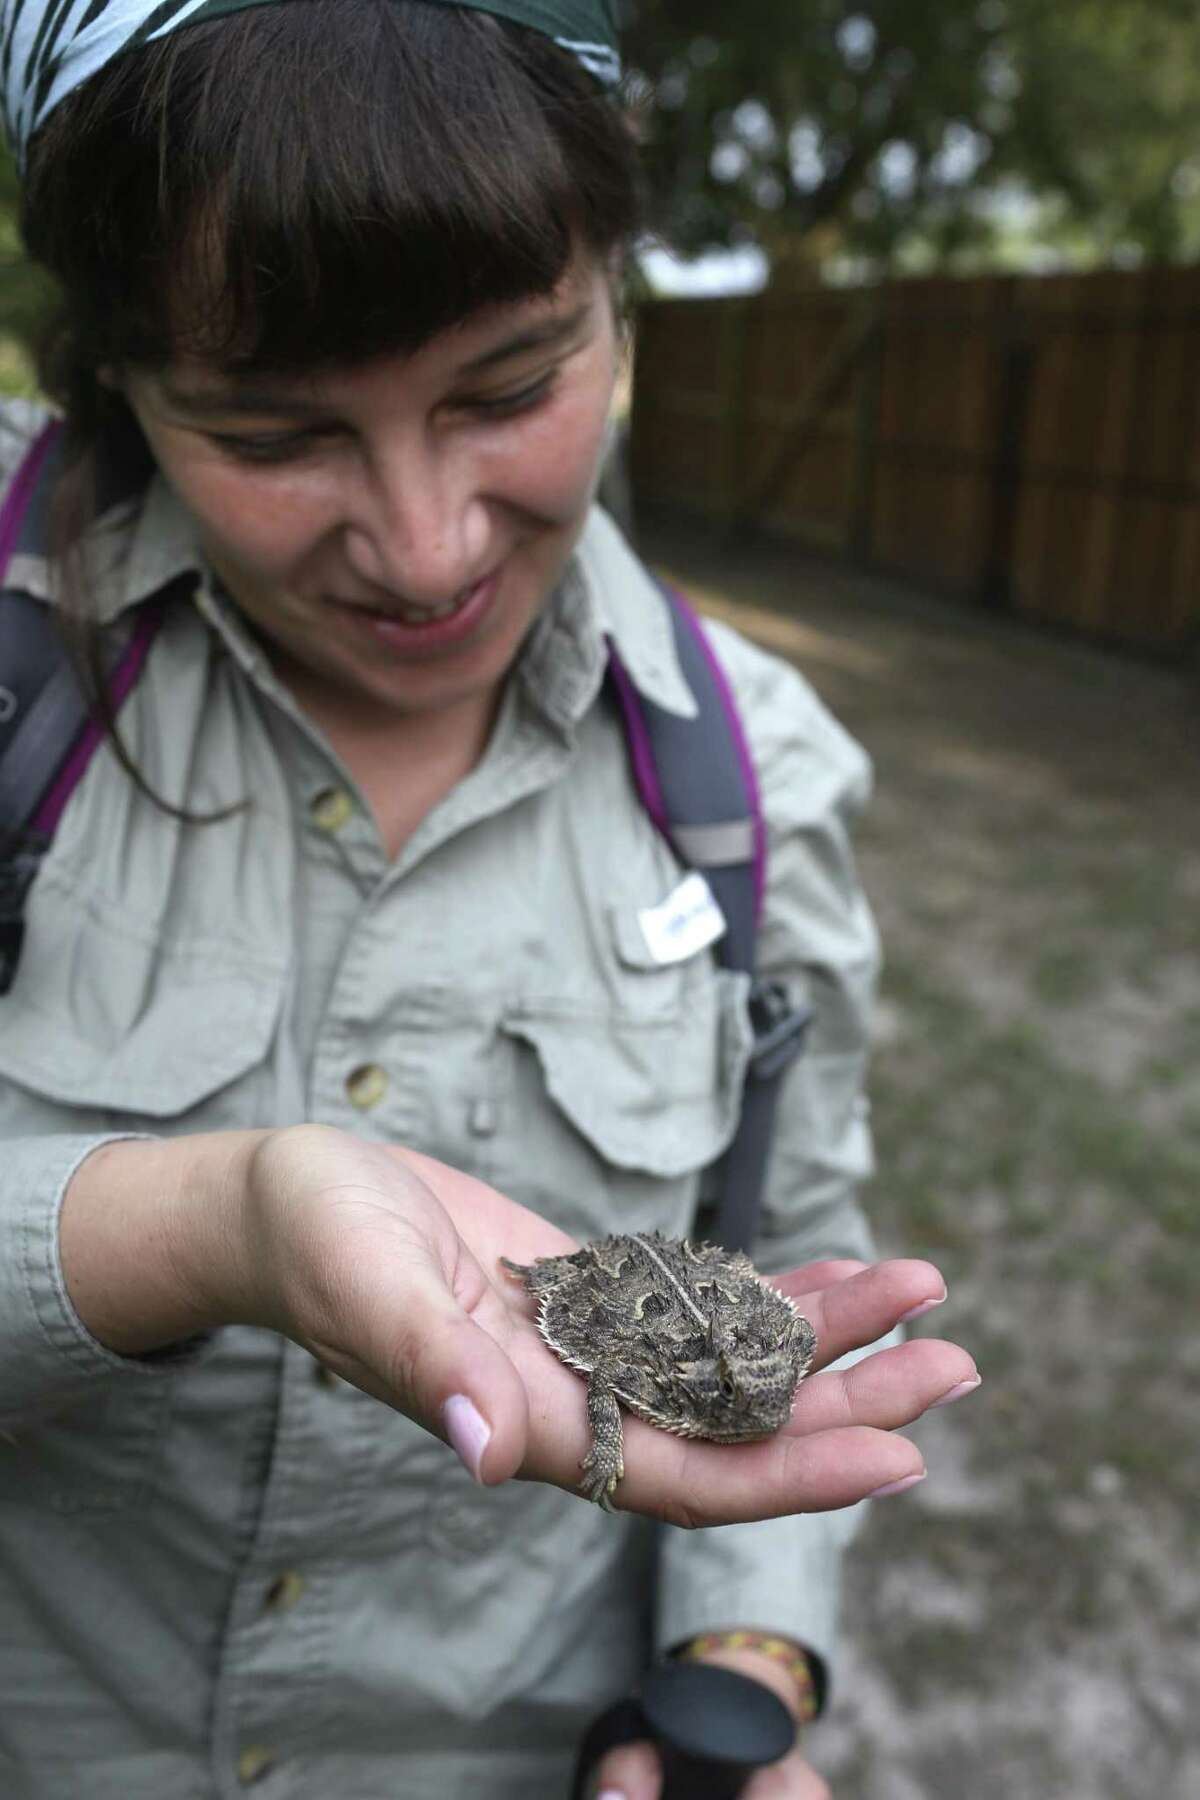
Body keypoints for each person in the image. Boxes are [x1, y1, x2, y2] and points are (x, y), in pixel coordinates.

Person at [0, 3, 979, 1796]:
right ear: (112, 378)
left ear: (621, 291)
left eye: (513, 389)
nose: (429, 544)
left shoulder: (761, 779)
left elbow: (782, 1238)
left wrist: (738, 1674)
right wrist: (209, 1224)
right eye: (275, 430)